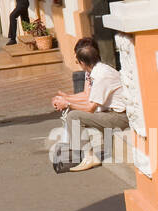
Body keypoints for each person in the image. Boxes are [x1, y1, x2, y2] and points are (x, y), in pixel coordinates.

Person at [50, 38, 128, 172]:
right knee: (73, 114)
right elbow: (88, 98)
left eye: (77, 61)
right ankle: (78, 154)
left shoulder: (102, 75)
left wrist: (67, 102)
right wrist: (66, 99)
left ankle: (88, 156)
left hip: (120, 117)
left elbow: (90, 107)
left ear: (83, 62)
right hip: (111, 113)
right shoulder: (97, 71)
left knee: (74, 116)